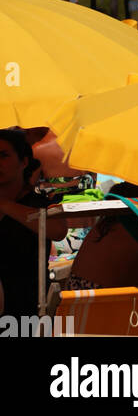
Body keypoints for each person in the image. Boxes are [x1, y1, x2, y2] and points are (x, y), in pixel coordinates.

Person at [0, 128, 69, 317]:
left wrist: (5, 205)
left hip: (30, 310)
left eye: (3, 155)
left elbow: (58, 230)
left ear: (24, 161)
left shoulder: (37, 202)